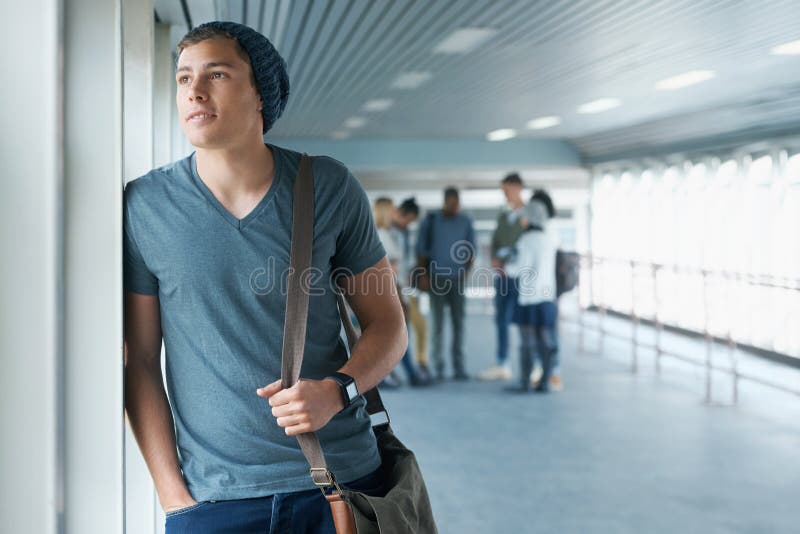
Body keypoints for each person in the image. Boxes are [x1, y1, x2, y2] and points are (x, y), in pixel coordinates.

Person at [123, 22, 406, 533]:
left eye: (217, 73)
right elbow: (139, 359)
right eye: (184, 77)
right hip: (214, 502)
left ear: (260, 93)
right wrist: (173, 496)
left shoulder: (328, 186)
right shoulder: (145, 206)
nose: (194, 90)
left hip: (340, 484)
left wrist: (337, 392)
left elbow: (389, 326)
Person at [416, 187, 476, 381]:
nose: (455, 207)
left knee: (459, 323)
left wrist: (465, 273)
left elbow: (471, 249)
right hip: (436, 278)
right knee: (438, 323)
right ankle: (439, 366)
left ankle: (459, 366)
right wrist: (423, 275)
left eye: (458, 204)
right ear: (445, 201)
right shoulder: (432, 221)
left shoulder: (465, 221)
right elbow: (421, 250)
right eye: (452, 203)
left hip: (457, 278)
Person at [503, 200, 558, 393]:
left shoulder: (525, 241)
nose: (522, 221)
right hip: (547, 296)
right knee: (545, 339)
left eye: (524, 217)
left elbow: (519, 269)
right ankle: (545, 381)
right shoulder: (549, 239)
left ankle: (525, 382)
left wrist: (506, 266)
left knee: (526, 341)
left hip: (528, 298)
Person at [374, 197, 428, 387]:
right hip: (388, 289)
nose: (397, 212)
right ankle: (398, 374)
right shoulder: (380, 234)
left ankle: (407, 374)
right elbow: (382, 265)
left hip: (398, 288)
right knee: (395, 334)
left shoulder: (391, 233)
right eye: (394, 209)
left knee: (399, 334)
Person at [479, 172, 526, 381]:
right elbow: (496, 241)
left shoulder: (528, 216)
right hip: (503, 277)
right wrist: (495, 261)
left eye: (506, 190)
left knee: (525, 321)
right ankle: (502, 363)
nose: (504, 194)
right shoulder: (504, 215)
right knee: (501, 320)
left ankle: (530, 364)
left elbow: (525, 246)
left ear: (518, 188)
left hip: (522, 278)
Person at [391, 197, 431, 381]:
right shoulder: (387, 233)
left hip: (406, 289)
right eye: (410, 219)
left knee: (416, 327)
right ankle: (410, 373)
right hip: (393, 290)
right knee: (401, 331)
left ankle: (418, 367)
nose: (410, 223)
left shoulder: (406, 233)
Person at [530, 188, 563, 392]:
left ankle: (549, 373)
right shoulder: (549, 230)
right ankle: (549, 373)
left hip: (539, 293)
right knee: (547, 334)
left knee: (543, 335)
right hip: (548, 292)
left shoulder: (543, 231)